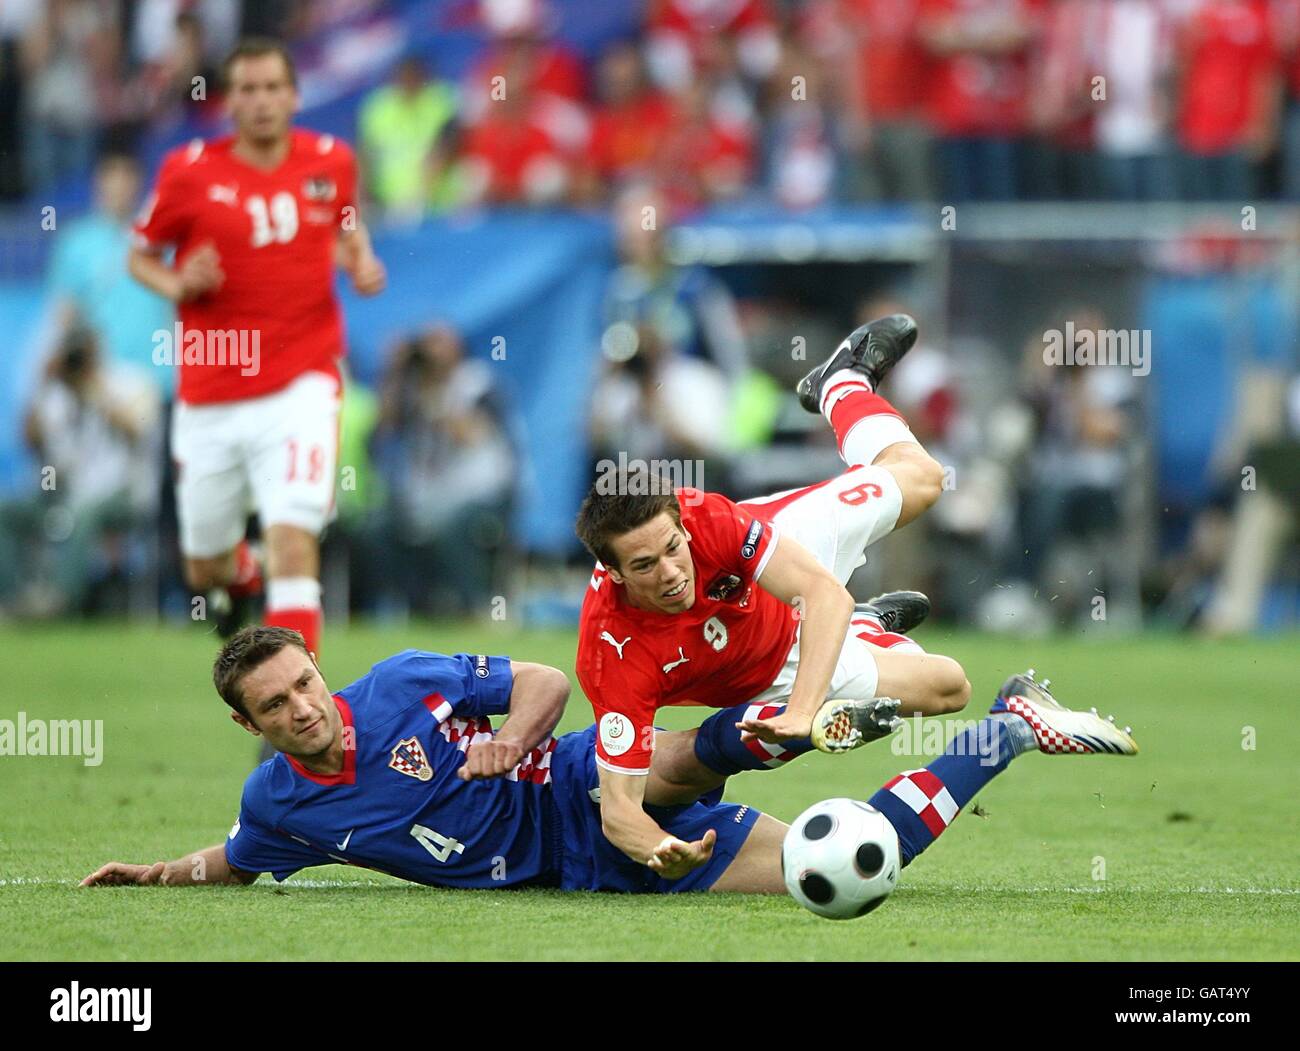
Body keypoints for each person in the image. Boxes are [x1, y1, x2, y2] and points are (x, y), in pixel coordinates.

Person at [80, 626, 1138, 892]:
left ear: (318, 668)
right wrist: (153, 874)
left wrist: (513, 739)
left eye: (304, 682)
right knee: (854, 860)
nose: (304, 707)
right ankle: (1005, 725)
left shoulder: (401, 680)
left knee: (686, 755)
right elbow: (236, 858)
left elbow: (544, 679)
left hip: (579, 776)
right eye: (276, 704)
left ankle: (814, 681)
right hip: (587, 869)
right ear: (249, 724)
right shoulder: (279, 806)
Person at [572, 313, 998, 867]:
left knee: (924, 478)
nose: (672, 572)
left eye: (674, 548)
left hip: (786, 559)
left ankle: (840, 384)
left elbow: (823, 596)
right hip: (775, 668)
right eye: (646, 565)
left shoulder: (706, 519)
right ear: (615, 573)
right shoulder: (610, 654)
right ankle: (864, 629)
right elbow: (620, 808)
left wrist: (803, 714)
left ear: (681, 522)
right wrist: (660, 848)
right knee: (951, 689)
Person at [127, 37, 386, 656]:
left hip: (303, 378)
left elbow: (346, 222)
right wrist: (178, 282)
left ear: (295, 95)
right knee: (204, 569)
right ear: (228, 100)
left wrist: (361, 259)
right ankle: (241, 574)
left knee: (293, 536)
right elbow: (140, 257)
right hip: (212, 388)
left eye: (274, 87)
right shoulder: (188, 172)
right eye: (248, 88)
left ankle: (296, 718)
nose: (263, 101)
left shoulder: (331, 161)